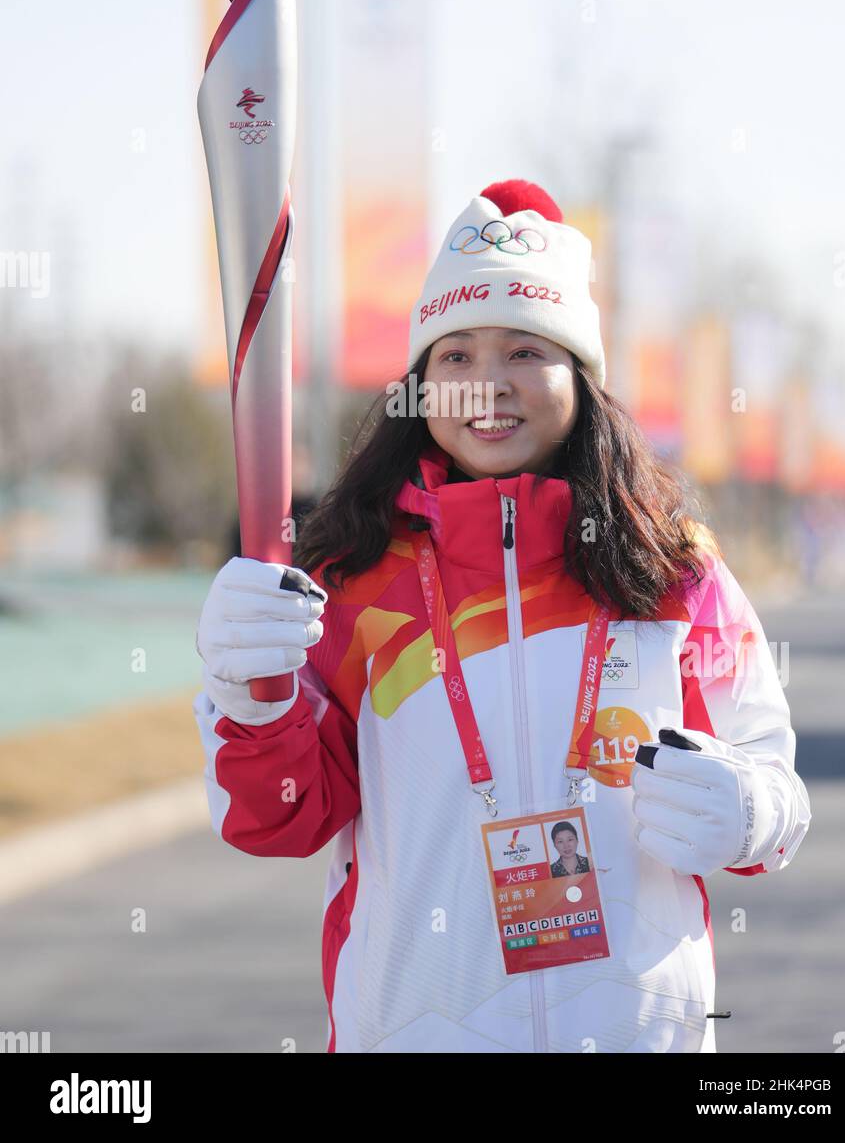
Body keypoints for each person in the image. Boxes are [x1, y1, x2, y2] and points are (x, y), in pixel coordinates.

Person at [193, 178, 811, 1054]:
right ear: (419, 384)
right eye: (455, 357)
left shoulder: (671, 570)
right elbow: (280, 821)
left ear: (579, 375)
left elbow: (774, 782)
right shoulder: (353, 581)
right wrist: (246, 697)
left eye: (525, 350)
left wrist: (746, 808)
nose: (489, 385)